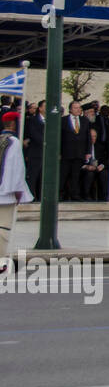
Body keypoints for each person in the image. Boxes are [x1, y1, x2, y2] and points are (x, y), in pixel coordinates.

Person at [0, 111, 34, 273]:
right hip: (5, 193)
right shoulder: (13, 142)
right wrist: (18, 190)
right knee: (3, 229)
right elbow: (16, 168)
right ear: (13, 124)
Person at [60, 101, 89, 201]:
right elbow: (60, 136)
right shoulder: (63, 120)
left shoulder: (84, 120)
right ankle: (61, 194)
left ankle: (75, 194)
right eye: (76, 108)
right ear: (70, 109)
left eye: (79, 108)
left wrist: (87, 152)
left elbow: (88, 137)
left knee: (75, 175)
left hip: (79, 152)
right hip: (66, 152)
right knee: (63, 174)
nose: (78, 110)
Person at [23, 99, 44, 200]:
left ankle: (42, 197)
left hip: (47, 154)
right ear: (40, 108)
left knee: (43, 178)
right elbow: (33, 134)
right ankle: (31, 197)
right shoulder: (32, 120)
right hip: (35, 152)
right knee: (33, 176)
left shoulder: (52, 120)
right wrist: (46, 142)